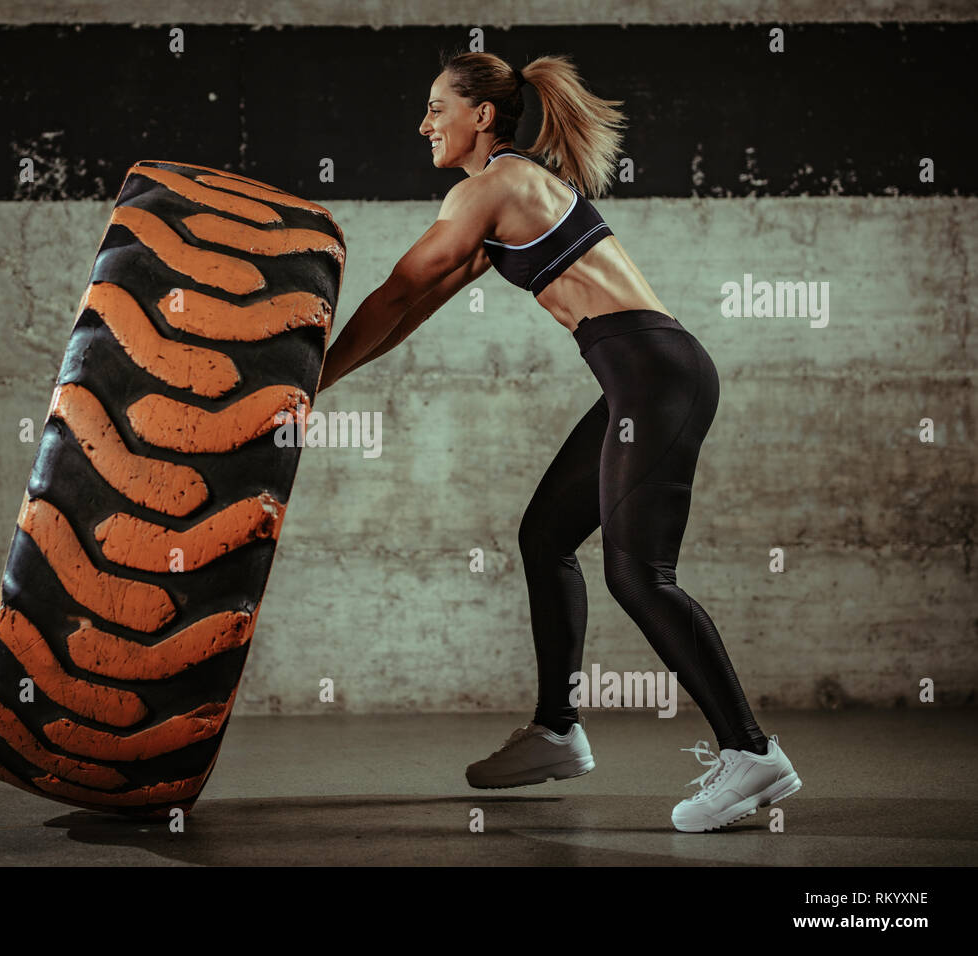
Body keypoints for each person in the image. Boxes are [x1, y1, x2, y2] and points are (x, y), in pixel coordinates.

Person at [316, 51, 801, 832]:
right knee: (545, 537)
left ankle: (752, 754)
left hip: (653, 373)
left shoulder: (494, 187)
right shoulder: (507, 193)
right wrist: (326, 381)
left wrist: (311, 383)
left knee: (640, 575)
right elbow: (418, 304)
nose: (424, 122)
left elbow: (396, 291)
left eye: (438, 107)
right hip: (641, 376)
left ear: (481, 116)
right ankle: (557, 729)